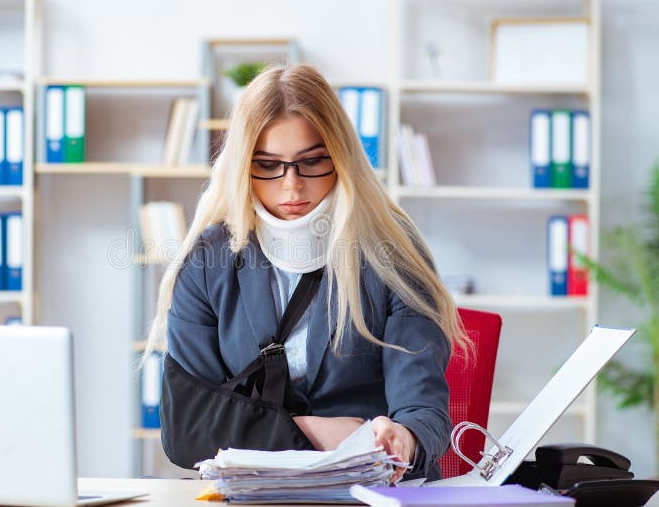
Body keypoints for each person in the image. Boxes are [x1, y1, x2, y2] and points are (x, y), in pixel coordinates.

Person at [147, 63, 469, 482]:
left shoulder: (393, 251)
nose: (292, 186)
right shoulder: (209, 261)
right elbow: (188, 429)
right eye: (268, 164)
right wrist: (310, 431)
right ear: (243, 167)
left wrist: (403, 437)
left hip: (370, 488)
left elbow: (422, 406)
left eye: (312, 161)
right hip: (253, 491)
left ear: (341, 157)